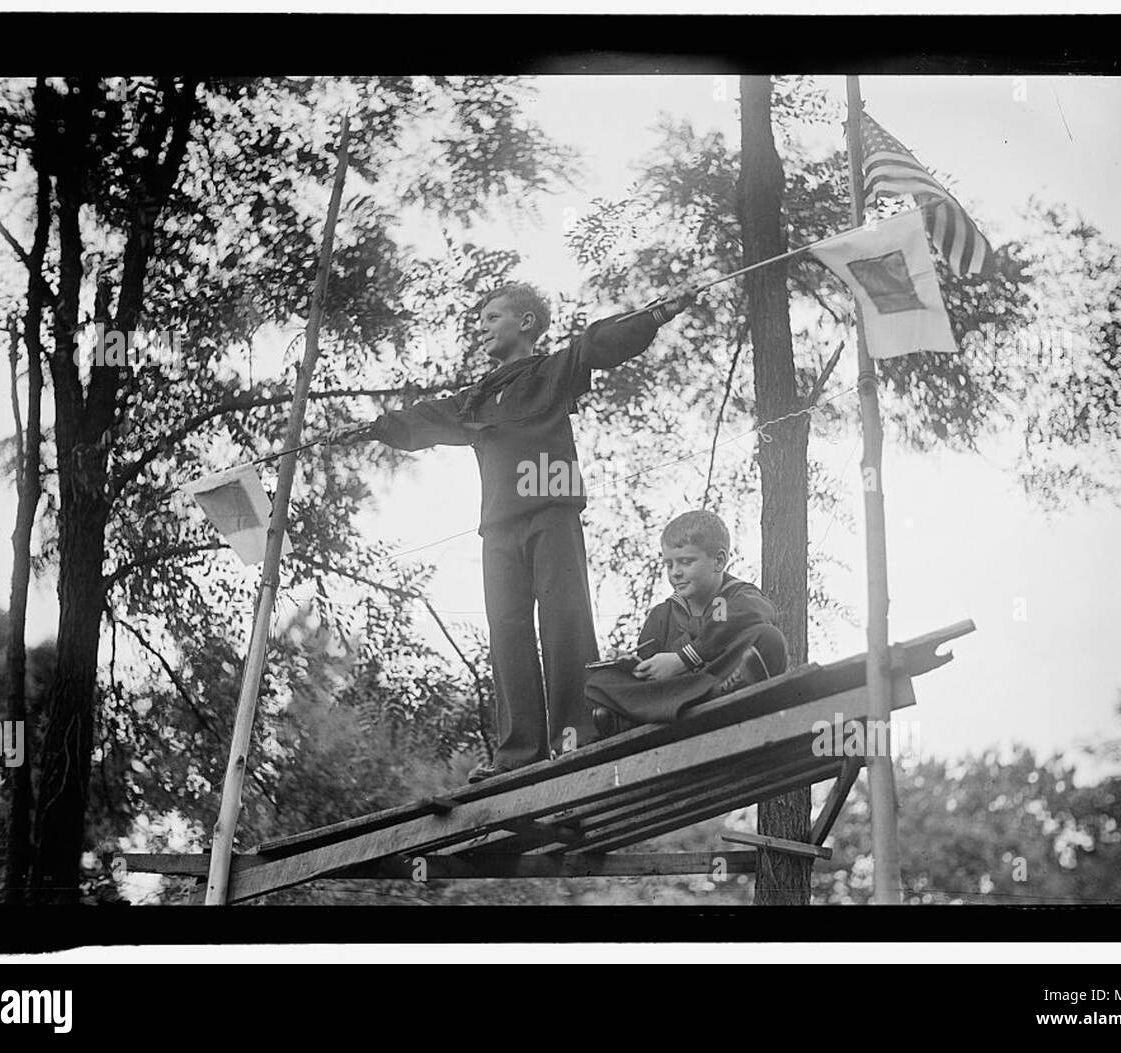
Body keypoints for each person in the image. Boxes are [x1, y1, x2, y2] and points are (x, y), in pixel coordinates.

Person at [334, 282, 693, 780]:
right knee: (507, 631)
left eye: (491, 317)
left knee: (564, 623)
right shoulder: (475, 402)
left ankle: (574, 737)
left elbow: (600, 343)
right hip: (498, 529)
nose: (481, 327)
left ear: (525, 323)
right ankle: (517, 755)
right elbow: (423, 420)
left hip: (552, 513)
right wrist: (373, 428)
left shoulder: (553, 371)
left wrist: (657, 314)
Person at [585, 509, 788, 733]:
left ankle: (634, 717)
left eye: (685, 562)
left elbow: (759, 614)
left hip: (714, 679)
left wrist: (685, 658)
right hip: (678, 693)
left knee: (768, 638)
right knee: (599, 681)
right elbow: (649, 670)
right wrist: (632, 665)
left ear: (719, 561)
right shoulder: (662, 614)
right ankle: (710, 695)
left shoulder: (740, 596)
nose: (675, 573)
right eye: (669, 565)